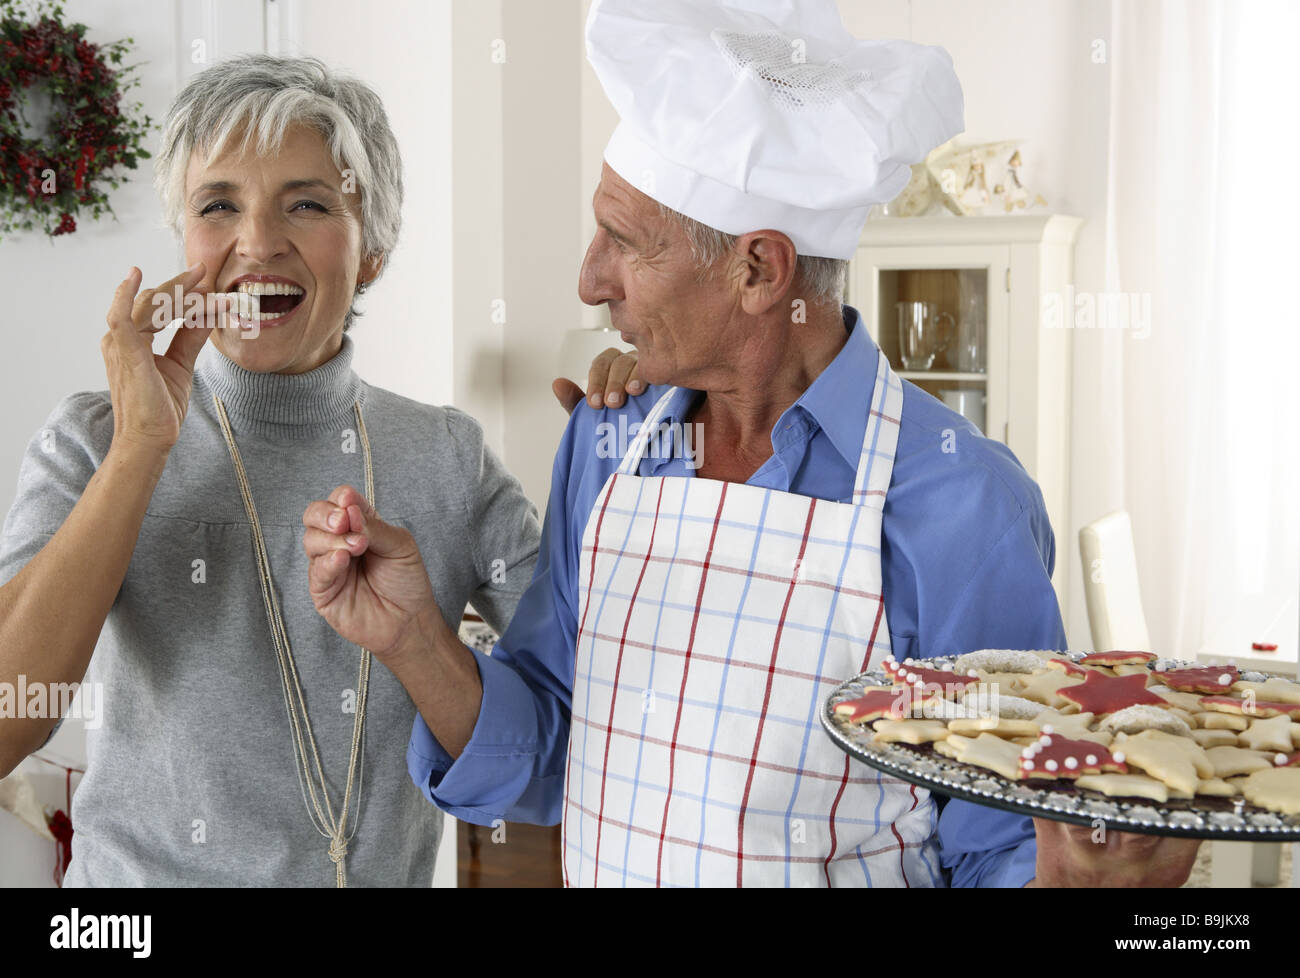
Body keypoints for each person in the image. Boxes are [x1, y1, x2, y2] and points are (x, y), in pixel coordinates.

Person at [304, 0, 1200, 886]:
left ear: (760, 270)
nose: (588, 281)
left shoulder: (961, 504)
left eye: (625, 244)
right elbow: (548, 753)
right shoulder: (609, 444)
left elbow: (999, 852)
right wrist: (414, 638)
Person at [0, 53, 638, 887]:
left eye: (307, 204)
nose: (257, 243)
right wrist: (140, 449)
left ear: (370, 251)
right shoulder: (93, 438)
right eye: (218, 205)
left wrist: (637, 457)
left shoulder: (446, 454)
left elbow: (579, 723)